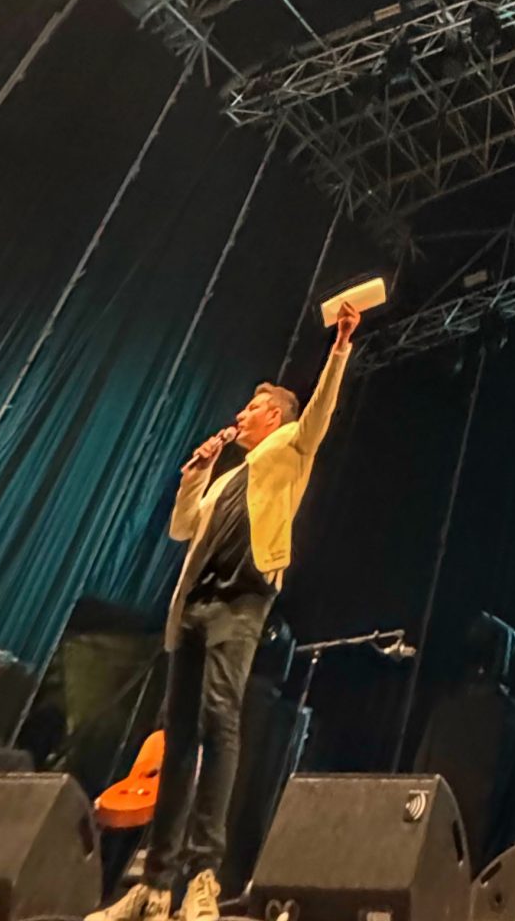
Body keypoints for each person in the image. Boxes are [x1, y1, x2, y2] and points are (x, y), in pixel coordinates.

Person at [90, 302, 360, 921]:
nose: (238, 417)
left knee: (220, 719)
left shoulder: (290, 448)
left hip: (241, 603)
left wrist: (341, 345)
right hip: (192, 607)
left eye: (250, 410)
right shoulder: (224, 477)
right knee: (176, 734)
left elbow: (319, 411)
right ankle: (155, 886)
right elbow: (183, 530)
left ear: (275, 417)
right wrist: (194, 476)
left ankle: (204, 876)